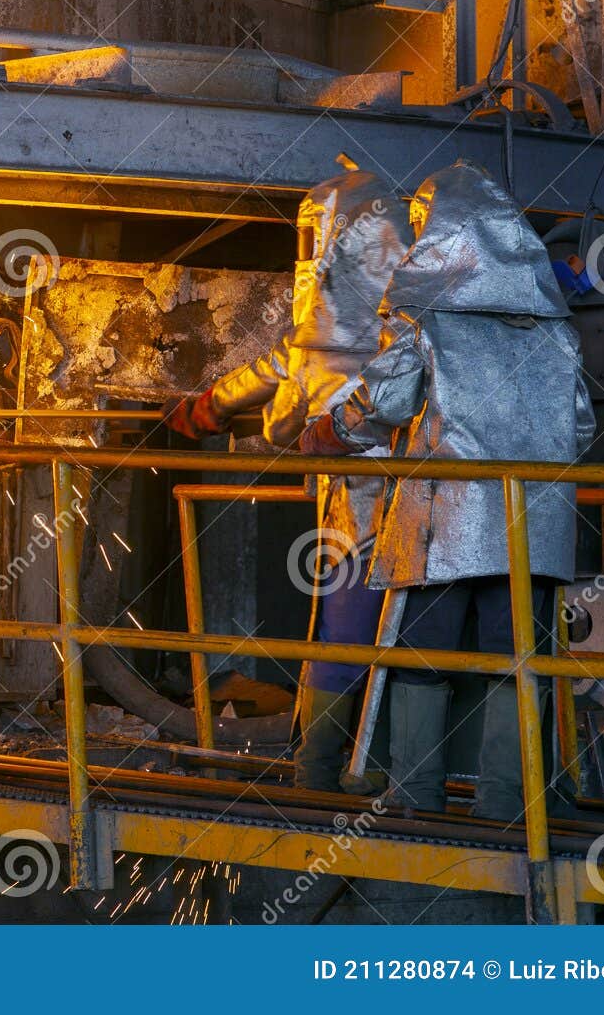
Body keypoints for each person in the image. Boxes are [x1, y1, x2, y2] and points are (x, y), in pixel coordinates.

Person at [301, 160, 595, 821]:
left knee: (421, 660)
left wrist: (329, 432)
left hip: (446, 526)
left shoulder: (424, 317)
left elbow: (387, 400)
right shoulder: (554, 329)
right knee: (516, 664)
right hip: (534, 532)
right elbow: (581, 424)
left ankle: (413, 801)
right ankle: (504, 810)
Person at [165, 169, 411, 790]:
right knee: (414, 645)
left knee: (343, 639)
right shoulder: (412, 322)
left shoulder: (330, 342)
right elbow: (286, 362)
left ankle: (320, 773)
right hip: (438, 520)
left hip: (358, 518)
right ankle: (398, 780)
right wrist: (216, 402)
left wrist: (219, 410)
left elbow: (282, 419)